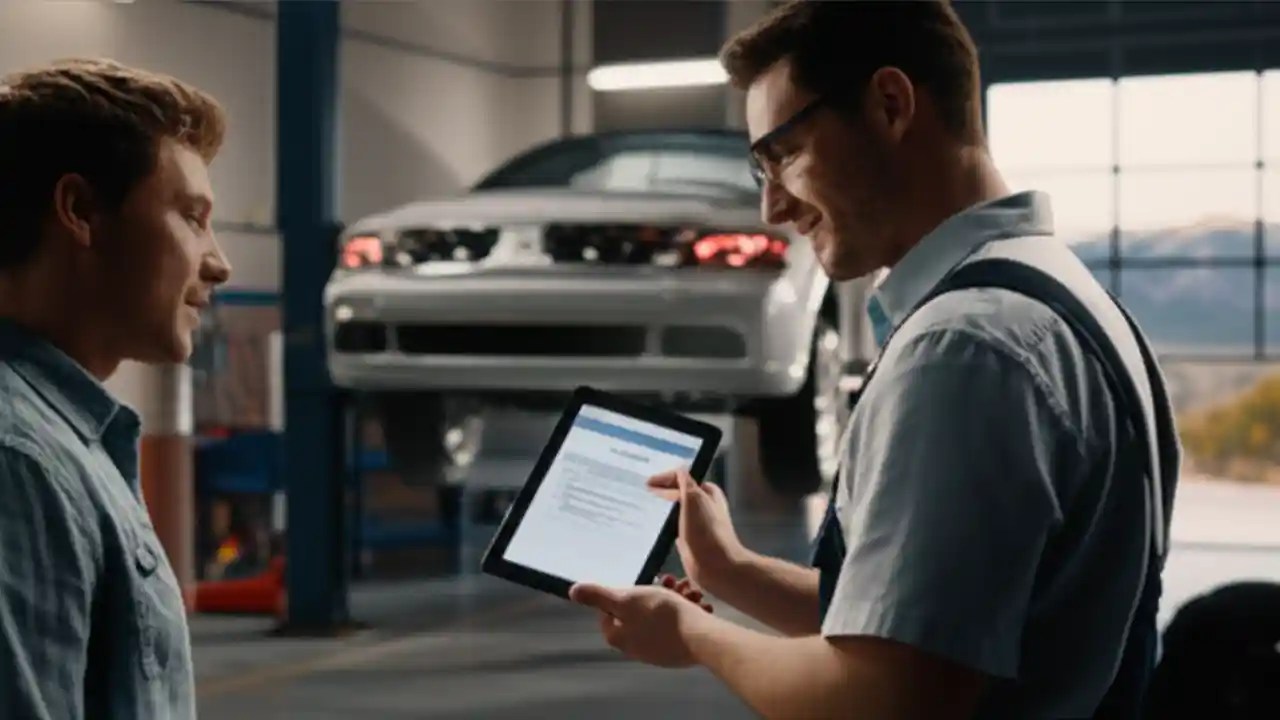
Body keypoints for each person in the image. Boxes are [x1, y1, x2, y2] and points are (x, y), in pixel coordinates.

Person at [569, 2, 1180, 718]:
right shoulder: (1059, 295)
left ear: (891, 105)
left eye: (784, 154)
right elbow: (928, 627)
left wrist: (695, 634)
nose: (772, 207)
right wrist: (730, 572)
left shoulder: (962, 350)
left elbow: (883, 695)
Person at [0, 58, 231, 718]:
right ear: (81, 211)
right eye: (192, 216)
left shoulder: (69, 440)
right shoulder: (20, 462)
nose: (218, 260)